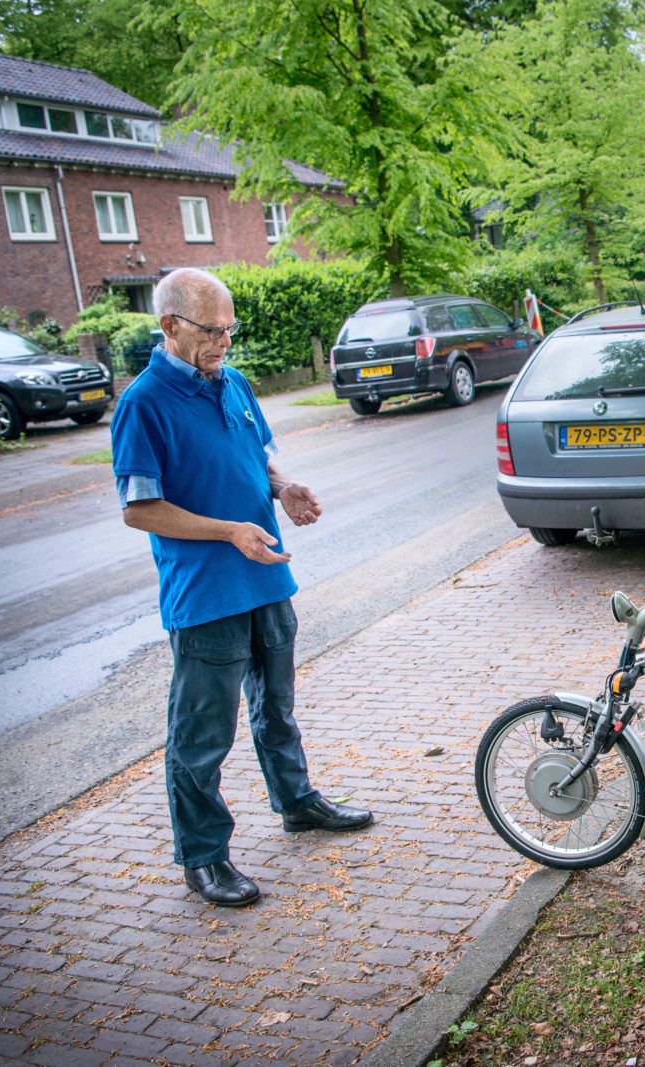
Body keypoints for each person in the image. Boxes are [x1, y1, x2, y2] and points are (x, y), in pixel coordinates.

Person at [111, 267, 372, 907]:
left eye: (230, 328)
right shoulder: (142, 404)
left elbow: (256, 456)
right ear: (170, 325)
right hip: (205, 599)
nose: (224, 341)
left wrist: (284, 489)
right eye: (211, 330)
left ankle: (297, 803)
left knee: (276, 708)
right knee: (203, 736)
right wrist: (230, 530)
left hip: (266, 577)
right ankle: (203, 856)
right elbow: (139, 509)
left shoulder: (233, 382)